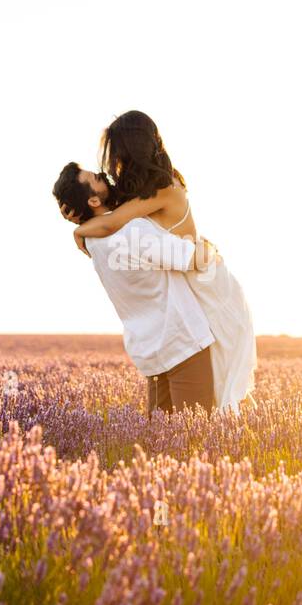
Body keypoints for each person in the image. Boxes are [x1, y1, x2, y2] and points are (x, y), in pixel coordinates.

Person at [69, 111, 256, 413]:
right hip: (188, 281)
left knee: (223, 385)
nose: (113, 163)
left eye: (117, 152)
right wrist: (78, 216)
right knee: (211, 394)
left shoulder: (162, 188)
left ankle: (240, 453)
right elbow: (108, 218)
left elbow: (110, 222)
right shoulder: (140, 193)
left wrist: (79, 230)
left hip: (205, 284)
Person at [53, 162, 221, 413]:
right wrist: (210, 248)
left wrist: (78, 225)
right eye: (95, 178)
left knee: (162, 445)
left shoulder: (91, 241)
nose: (102, 175)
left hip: (149, 351)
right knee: (198, 436)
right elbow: (194, 259)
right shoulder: (133, 231)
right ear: (94, 201)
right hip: (183, 342)